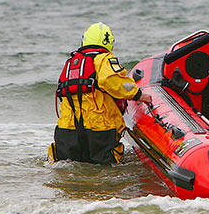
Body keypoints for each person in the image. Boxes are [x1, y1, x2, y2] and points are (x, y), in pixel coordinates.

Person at [48, 22, 152, 164]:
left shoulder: (73, 62)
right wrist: (139, 94)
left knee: (70, 167)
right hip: (99, 129)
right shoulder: (104, 59)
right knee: (107, 168)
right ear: (108, 41)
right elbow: (114, 81)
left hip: (67, 129)